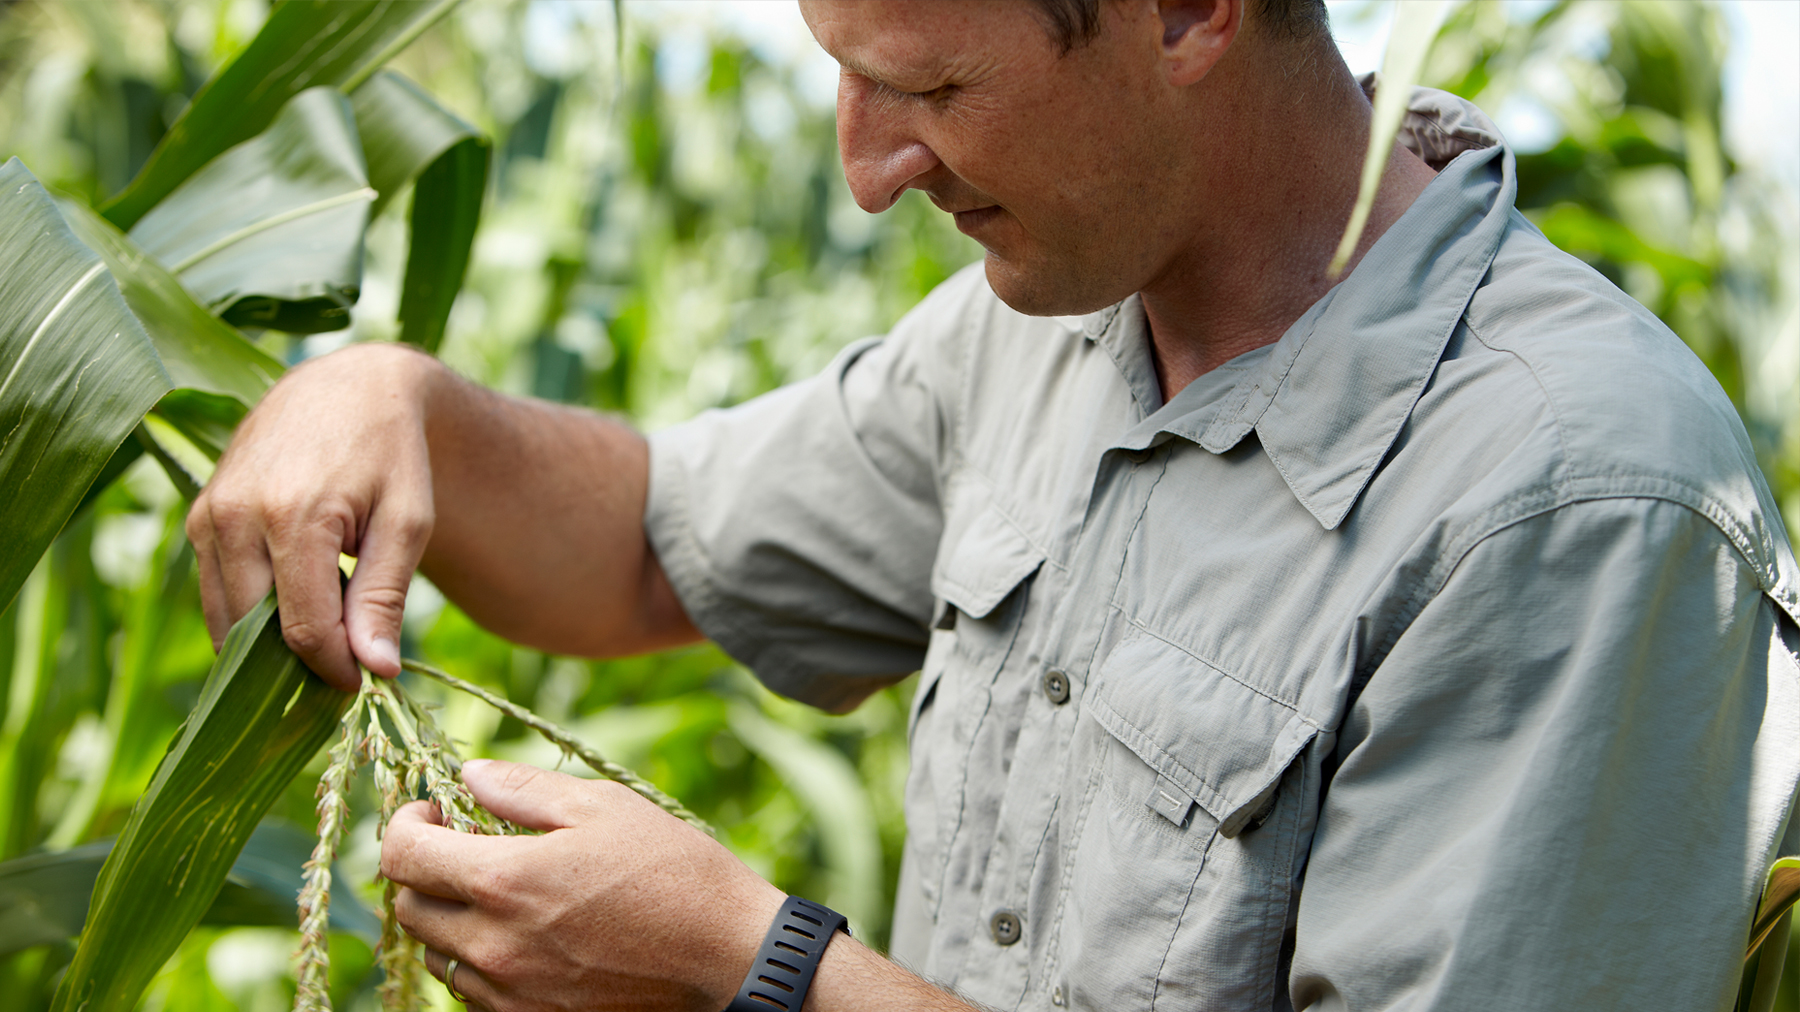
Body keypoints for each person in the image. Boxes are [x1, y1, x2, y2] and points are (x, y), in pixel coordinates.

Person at [188, 0, 1800, 1009]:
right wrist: (397, 401)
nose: (866, 171)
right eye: (836, 72)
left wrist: (760, 974)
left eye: (930, 86)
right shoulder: (1045, 325)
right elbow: (647, 550)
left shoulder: (1570, 498)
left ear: (1190, 14)